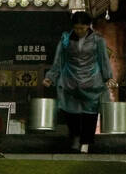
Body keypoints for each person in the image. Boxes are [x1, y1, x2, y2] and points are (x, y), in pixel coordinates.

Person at [43, 11, 113, 153]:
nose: (79, 31)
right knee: (70, 111)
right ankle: (75, 137)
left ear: (88, 26)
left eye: (82, 28)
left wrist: (108, 77)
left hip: (92, 80)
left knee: (90, 112)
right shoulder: (66, 39)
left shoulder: (98, 40)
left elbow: (103, 59)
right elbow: (59, 60)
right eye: (76, 28)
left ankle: (86, 141)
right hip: (70, 79)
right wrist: (51, 77)